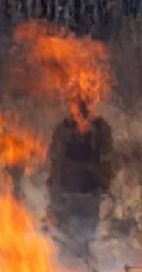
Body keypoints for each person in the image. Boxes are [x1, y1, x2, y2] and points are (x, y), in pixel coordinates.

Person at [47, 94, 113, 257]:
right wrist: (54, 188)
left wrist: (103, 182)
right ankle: (70, 263)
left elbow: (107, 158)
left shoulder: (100, 128)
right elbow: (55, 160)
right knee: (67, 230)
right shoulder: (63, 128)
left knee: (85, 230)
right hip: (69, 190)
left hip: (89, 190)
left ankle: (81, 261)